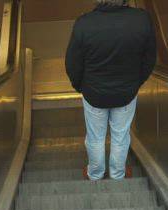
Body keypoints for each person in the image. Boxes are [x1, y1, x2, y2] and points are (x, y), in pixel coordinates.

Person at [65, 0, 157, 181]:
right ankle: (117, 175)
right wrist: (136, 83)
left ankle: (95, 174)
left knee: (95, 137)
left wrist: (81, 87)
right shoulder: (142, 20)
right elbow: (149, 58)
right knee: (120, 136)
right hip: (126, 92)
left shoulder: (84, 23)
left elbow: (72, 63)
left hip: (93, 93)